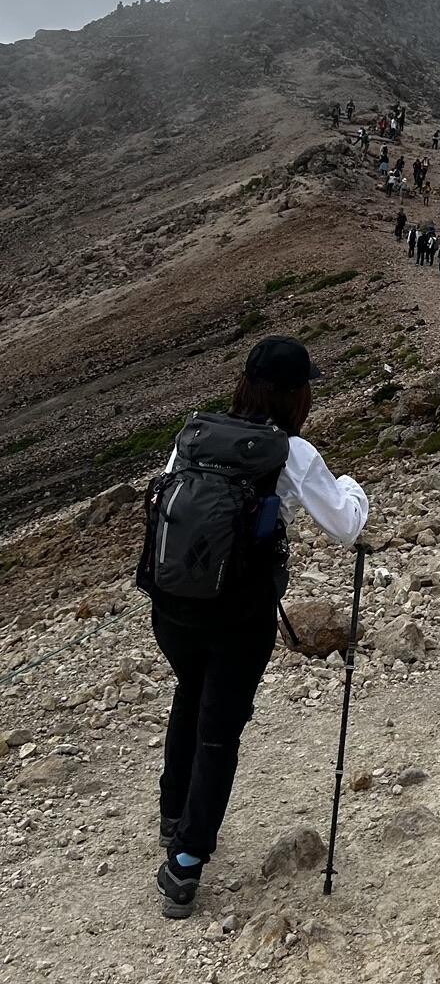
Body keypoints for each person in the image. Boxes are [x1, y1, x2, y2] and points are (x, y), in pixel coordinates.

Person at [144, 337, 368, 919]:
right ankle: (187, 864)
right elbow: (343, 524)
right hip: (240, 613)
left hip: (172, 604)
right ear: (296, 393)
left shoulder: (194, 434)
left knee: (189, 693)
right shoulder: (291, 452)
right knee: (220, 731)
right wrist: (354, 490)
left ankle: (175, 816)